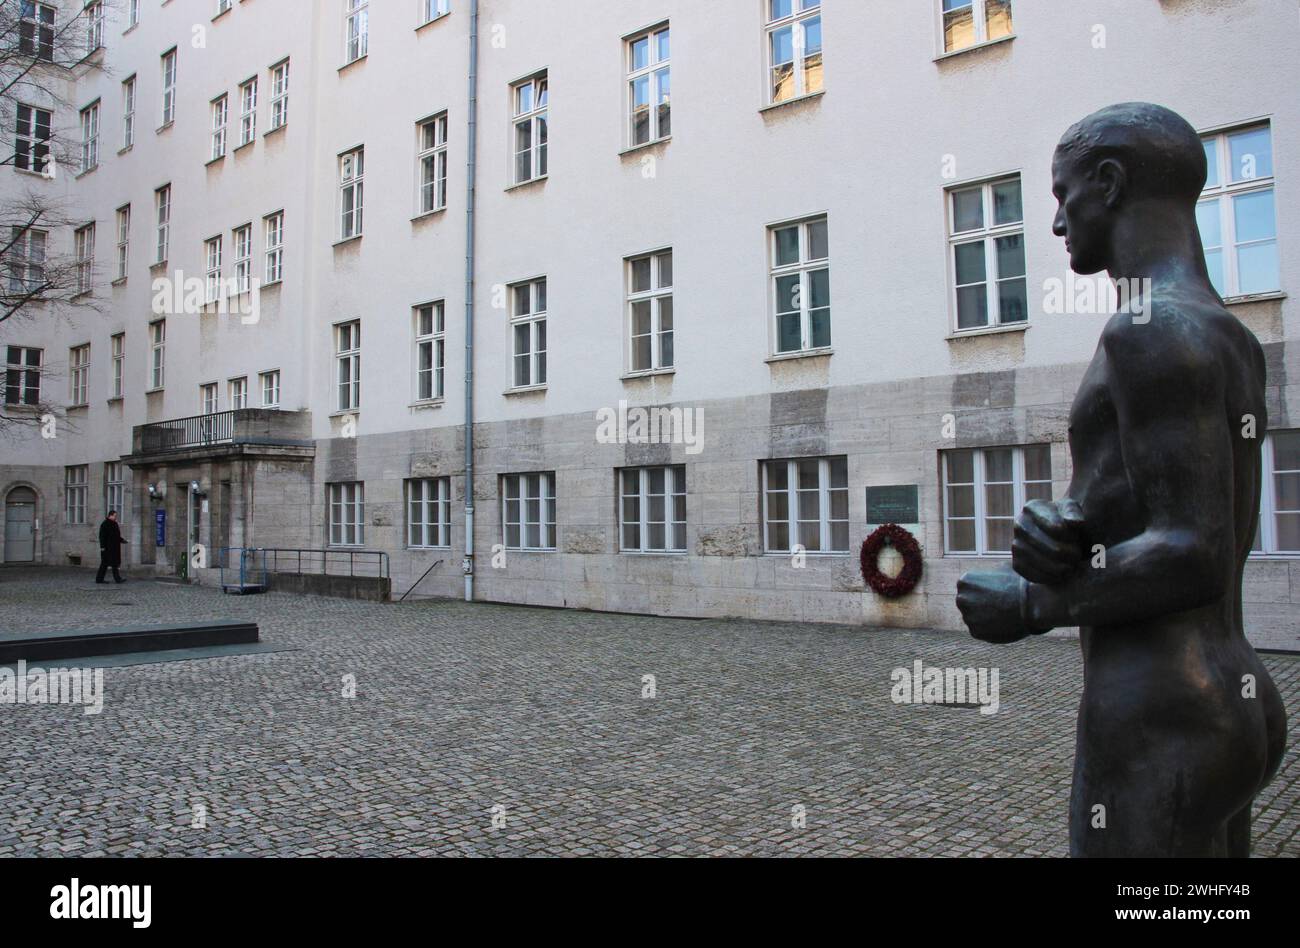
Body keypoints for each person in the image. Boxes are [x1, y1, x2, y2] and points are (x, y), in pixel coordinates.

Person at [956, 103, 1286, 857]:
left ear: (1107, 183)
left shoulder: (1149, 330)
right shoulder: (1224, 330)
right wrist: (1070, 521)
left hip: (1161, 707)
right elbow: (1177, 504)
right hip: (1225, 692)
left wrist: (1032, 601)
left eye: (1062, 194)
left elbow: (1195, 549)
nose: (1056, 223)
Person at [96, 510, 128, 584]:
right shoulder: (105, 524)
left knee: (114, 564)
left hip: (114, 548)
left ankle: (117, 579)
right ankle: (99, 579)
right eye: (114, 516)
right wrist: (102, 547)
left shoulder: (114, 524)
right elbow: (102, 537)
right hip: (107, 548)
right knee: (104, 564)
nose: (115, 517)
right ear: (110, 515)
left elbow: (116, 536)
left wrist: (122, 540)